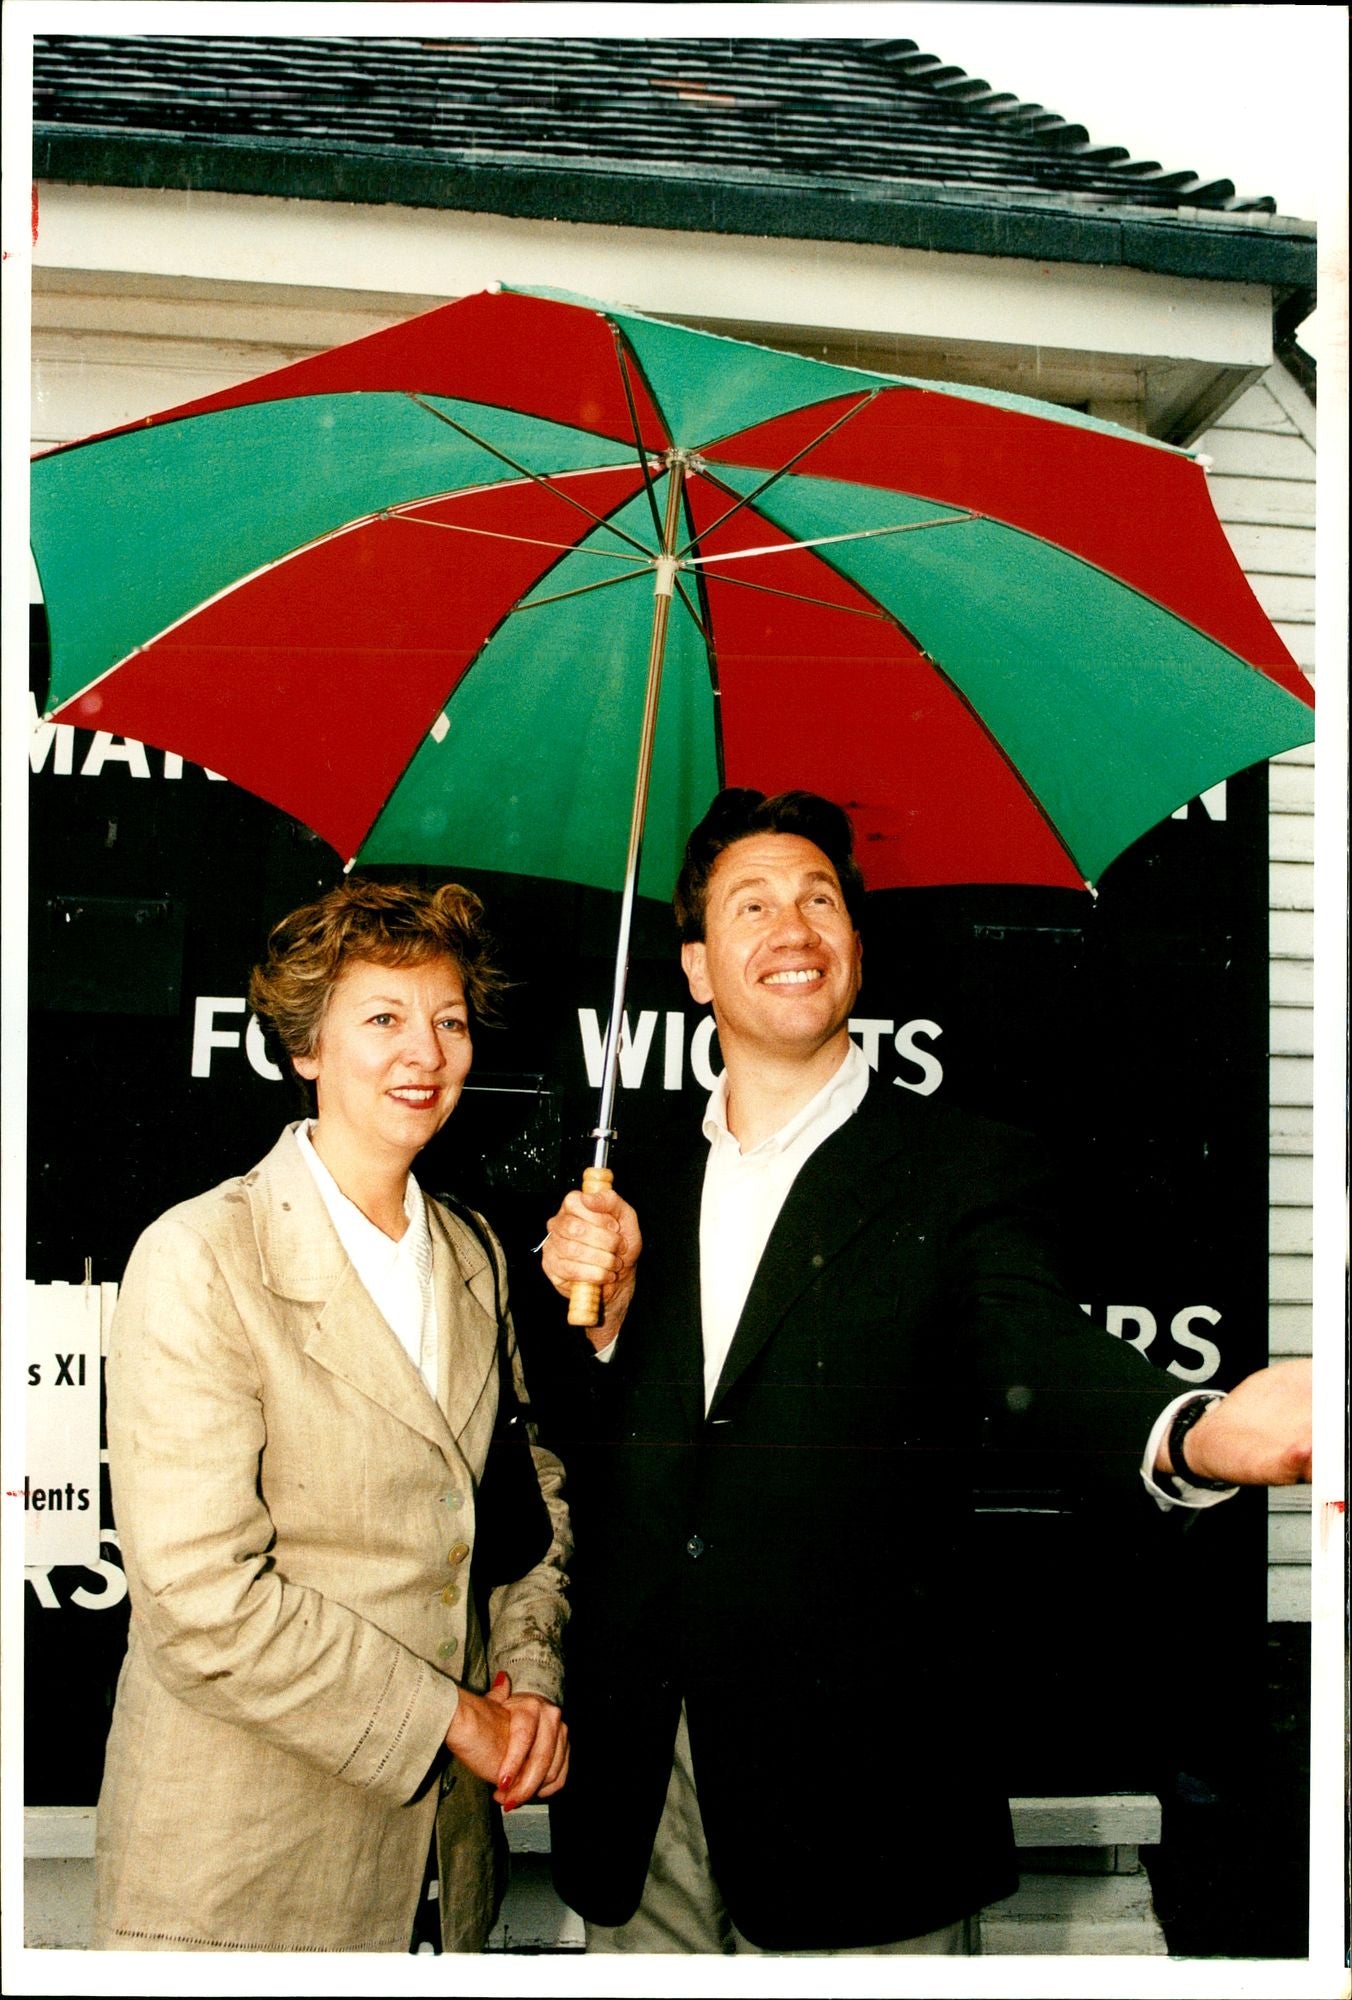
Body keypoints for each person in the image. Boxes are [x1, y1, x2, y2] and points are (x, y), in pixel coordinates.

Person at [538, 787, 1312, 1957]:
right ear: (696, 967)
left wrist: (1188, 1431)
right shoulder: (619, 1181)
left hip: (861, 1805)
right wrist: (599, 1327)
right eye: (750, 905)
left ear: (854, 943)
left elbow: (1035, 1355)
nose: (789, 928)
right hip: (651, 1789)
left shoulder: (963, 1169)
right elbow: (582, 1449)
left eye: (817, 899)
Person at [94, 879, 570, 1953]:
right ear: (307, 1047)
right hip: (240, 1874)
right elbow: (203, 1598)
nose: (426, 1051)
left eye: (448, 1019)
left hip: (442, 1884)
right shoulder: (201, 1254)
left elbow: (521, 1497)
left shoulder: (475, 1255)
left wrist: (528, 1678)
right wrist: (461, 1720)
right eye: (383, 1018)